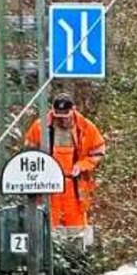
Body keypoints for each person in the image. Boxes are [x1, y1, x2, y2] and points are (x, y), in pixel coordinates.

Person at [23, 94, 106, 231]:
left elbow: (98, 152)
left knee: (76, 229)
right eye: (59, 116)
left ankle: (74, 245)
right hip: (48, 186)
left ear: (73, 109)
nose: (62, 119)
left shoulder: (85, 127)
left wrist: (82, 165)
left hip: (75, 186)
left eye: (65, 115)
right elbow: (28, 153)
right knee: (48, 227)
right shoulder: (40, 126)